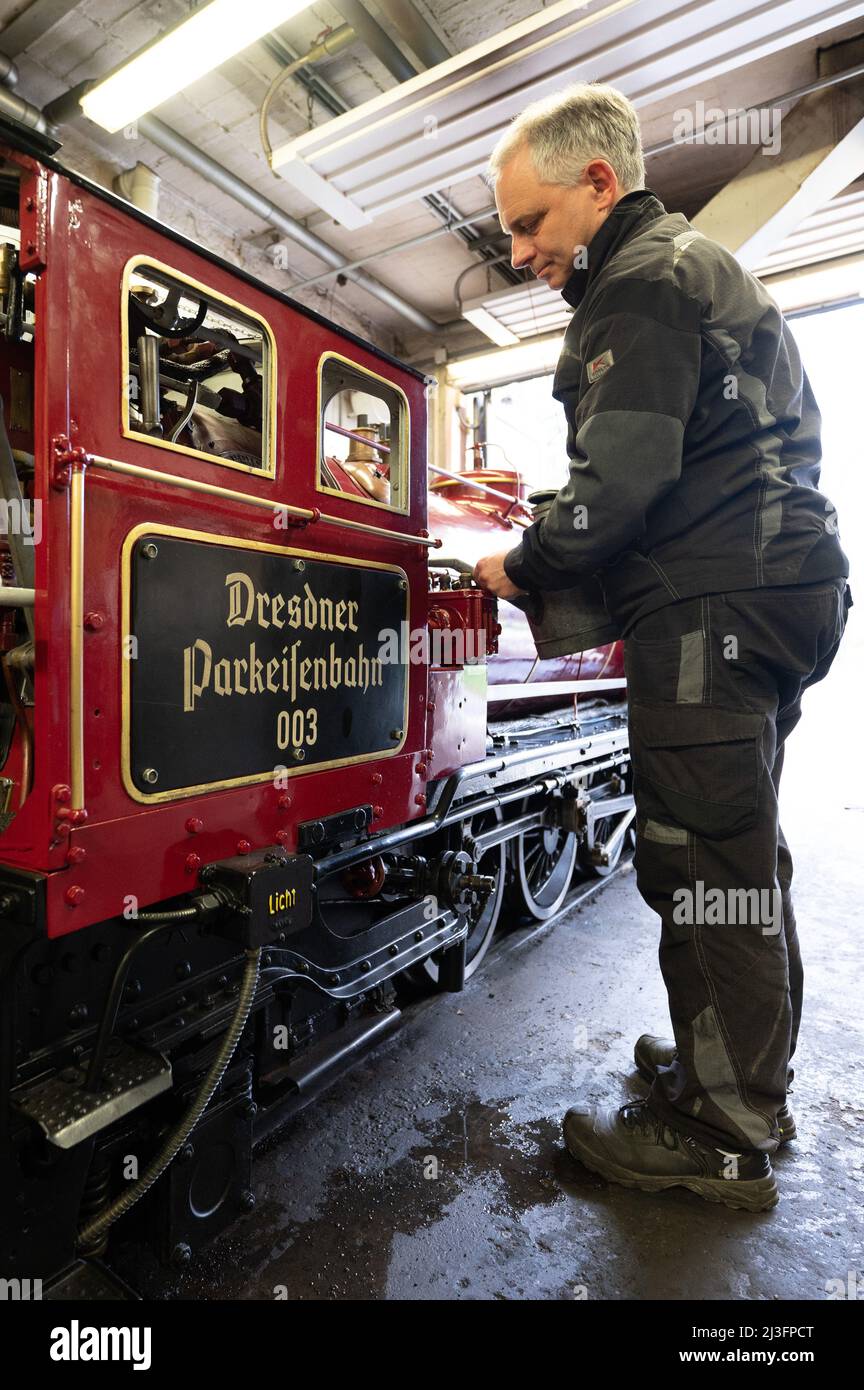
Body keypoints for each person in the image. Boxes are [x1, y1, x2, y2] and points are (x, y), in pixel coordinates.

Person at [474, 82, 851, 1212]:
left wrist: (520, 566)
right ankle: (732, 1069)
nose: (518, 251)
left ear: (600, 184)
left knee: (701, 864)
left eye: (531, 222)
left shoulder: (640, 283)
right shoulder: (689, 270)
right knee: (739, 853)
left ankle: (729, 1133)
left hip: (713, 606)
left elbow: (618, 491)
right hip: (770, 596)